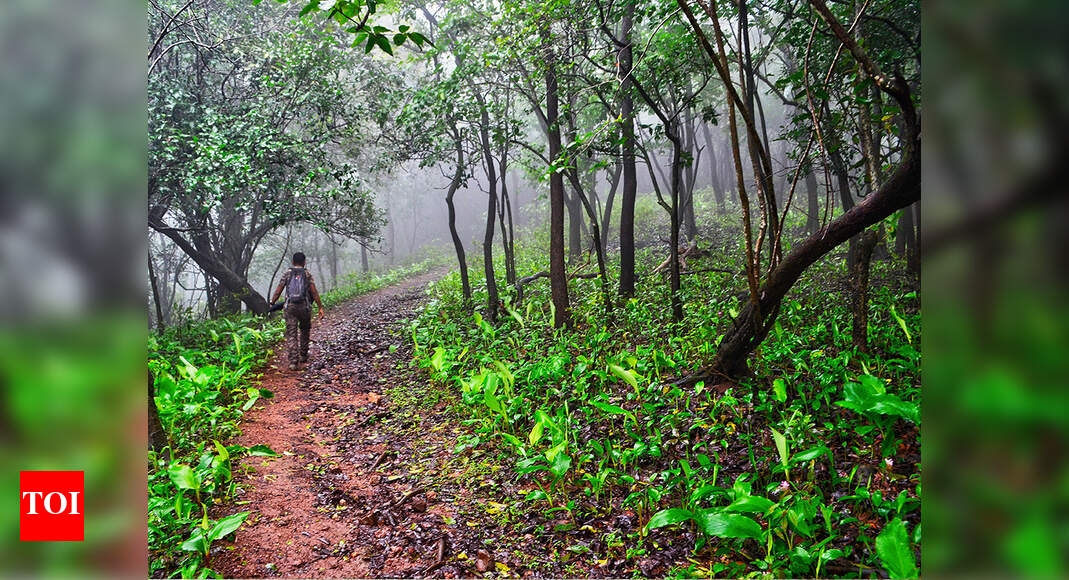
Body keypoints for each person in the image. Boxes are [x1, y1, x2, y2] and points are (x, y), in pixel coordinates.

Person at [270, 252, 325, 370]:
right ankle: (303, 355)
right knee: (305, 330)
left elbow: (278, 290)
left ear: (293, 262)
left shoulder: (287, 274)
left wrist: (272, 303)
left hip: (290, 307)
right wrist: (320, 307)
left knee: (291, 334)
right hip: (305, 307)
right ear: (304, 262)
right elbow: (314, 292)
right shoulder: (307, 274)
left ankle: (293, 362)